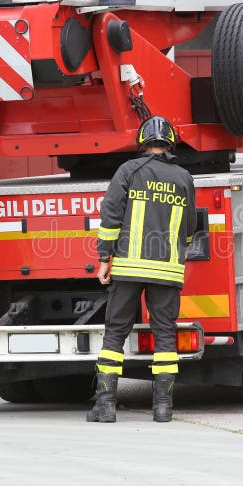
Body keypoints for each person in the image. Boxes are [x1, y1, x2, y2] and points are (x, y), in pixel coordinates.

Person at [87, 116, 196, 423]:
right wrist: (181, 249)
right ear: (170, 143)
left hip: (128, 268)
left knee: (115, 335)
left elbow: (110, 216)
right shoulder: (183, 177)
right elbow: (190, 225)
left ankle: (105, 407)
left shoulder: (128, 171)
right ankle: (163, 409)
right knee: (164, 338)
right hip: (167, 271)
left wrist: (104, 258)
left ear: (143, 141)